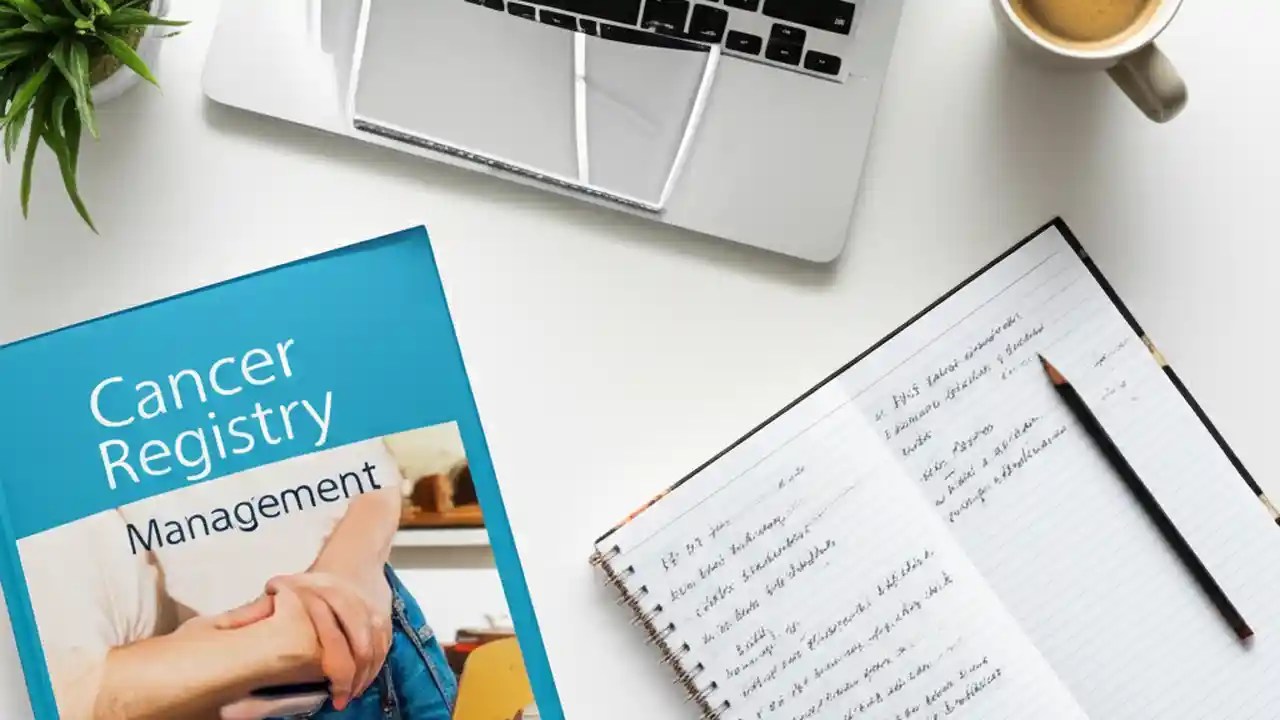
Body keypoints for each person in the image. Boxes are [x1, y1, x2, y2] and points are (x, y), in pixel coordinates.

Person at [20, 438, 457, 719]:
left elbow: (373, 468)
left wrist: (351, 571)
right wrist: (286, 638)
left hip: (380, 632)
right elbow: (72, 693)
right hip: (253, 686)